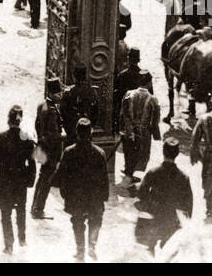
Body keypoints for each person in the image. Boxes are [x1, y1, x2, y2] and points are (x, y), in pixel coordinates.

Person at [55, 118, 109, 261]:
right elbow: (104, 178)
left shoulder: (68, 152)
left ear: (77, 133)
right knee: (96, 220)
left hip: (75, 197)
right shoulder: (100, 153)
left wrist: (64, 193)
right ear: (90, 132)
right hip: (94, 197)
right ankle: (92, 245)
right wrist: (104, 197)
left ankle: (80, 250)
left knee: (77, 223)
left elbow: (60, 175)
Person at [0, 103, 35, 255]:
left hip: (4, 181)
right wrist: (31, 179)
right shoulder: (27, 138)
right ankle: (22, 237)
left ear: (9, 120)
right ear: (20, 121)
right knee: (21, 209)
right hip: (20, 180)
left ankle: (9, 244)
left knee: (5, 213)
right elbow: (33, 161)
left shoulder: (1, 137)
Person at [134, 139, 194, 252]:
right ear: (177, 153)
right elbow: (188, 203)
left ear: (163, 152)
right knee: (169, 252)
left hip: (154, 217)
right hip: (172, 219)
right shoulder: (183, 177)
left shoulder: (153, 172)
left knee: (149, 249)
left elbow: (142, 194)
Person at [118, 70, 161, 185]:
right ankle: (131, 175)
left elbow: (122, 114)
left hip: (129, 130)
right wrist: (156, 134)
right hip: (144, 133)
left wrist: (123, 129)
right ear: (149, 83)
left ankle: (129, 172)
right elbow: (155, 120)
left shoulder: (128, 94)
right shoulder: (153, 100)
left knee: (129, 151)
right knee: (141, 154)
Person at [32, 76, 64, 219]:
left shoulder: (42, 105)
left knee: (42, 178)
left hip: (42, 148)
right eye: (58, 93)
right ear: (51, 94)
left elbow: (37, 125)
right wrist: (63, 136)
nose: (60, 95)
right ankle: (39, 209)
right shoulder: (51, 111)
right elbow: (54, 135)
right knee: (46, 180)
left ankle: (35, 207)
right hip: (51, 150)